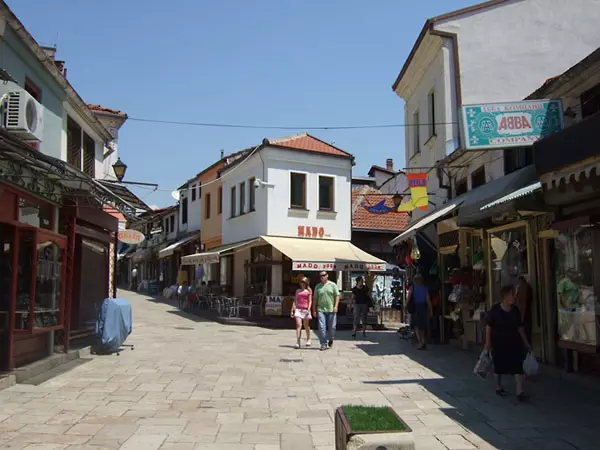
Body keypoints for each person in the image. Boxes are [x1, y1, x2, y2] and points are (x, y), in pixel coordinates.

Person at [485, 284, 532, 401]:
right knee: (499, 365)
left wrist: (526, 343)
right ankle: (498, 386)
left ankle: (519, 390)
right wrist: (487, 343)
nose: (515, 297)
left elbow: (519, 328)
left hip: (514, 342)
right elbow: (488, 327)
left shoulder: (515, 310)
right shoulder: (495, 310)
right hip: (499, 342)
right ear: (505, 296)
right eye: (513, 294)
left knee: (518, 365)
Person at [312, 271, 340, 351]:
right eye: (320, 276)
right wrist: (314, 310)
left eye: (324, 275)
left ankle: (331, 339)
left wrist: (336, 306)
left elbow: (337, 296)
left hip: (331, 309)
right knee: (321, 327)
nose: (322, 277)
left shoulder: (333, 285)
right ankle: (323, 344)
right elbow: (315, 299)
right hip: (321, 310)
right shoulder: (318, 286)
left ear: (327, 276)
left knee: (332, 327)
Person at [406, 274, 432, 350]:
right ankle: (423, 340)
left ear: (414, 280)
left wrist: (405, 306)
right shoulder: (424, 289)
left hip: (415, 308)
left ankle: (420, 342)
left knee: (416, 325)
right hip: (423, 307)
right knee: (422, 325)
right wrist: (431, 310)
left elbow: (408, 298)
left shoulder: (412, 288)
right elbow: (428, 301)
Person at [291, 277, 312, 349]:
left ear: (306, 283)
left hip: (305, 309)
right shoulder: (298, 291)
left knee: (306, 325)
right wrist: (293, 309)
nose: (302, 284)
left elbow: (310, 301)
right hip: (298, 309)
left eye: (303, 282)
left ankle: (308, 338)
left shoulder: (308, 291)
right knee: (298, 325)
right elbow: (295, 300)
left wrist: (308, 309)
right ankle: (298, 341)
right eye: (301, 282)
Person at [516, 276, 533, 346]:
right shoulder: (525, 287)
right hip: (525, 316)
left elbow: (523, 304)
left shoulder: (523, 288)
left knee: (525, 335)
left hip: (523, 317)